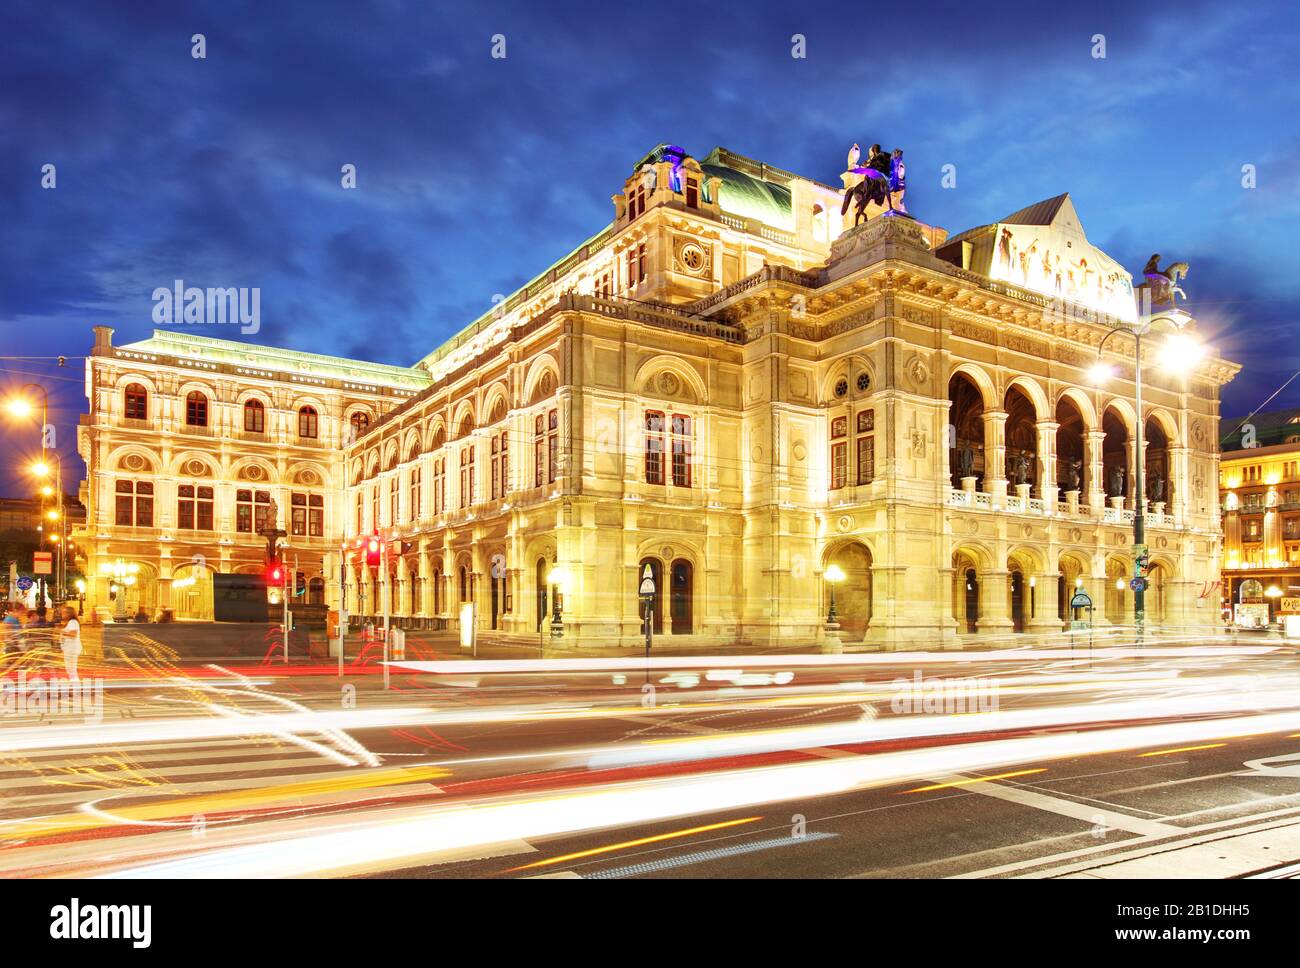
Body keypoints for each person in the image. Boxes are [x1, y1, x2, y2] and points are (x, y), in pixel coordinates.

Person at [58, 605, 82, 681]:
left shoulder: (73, 622)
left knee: (71, 669)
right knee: (70, 669)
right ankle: (74, 684)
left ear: (69, 613)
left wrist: (61, 632)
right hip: (69, 649)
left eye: (64, 612)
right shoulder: (70, 622)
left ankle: (75, 685)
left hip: (71, 649)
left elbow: (73, 634)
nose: (62, 613)